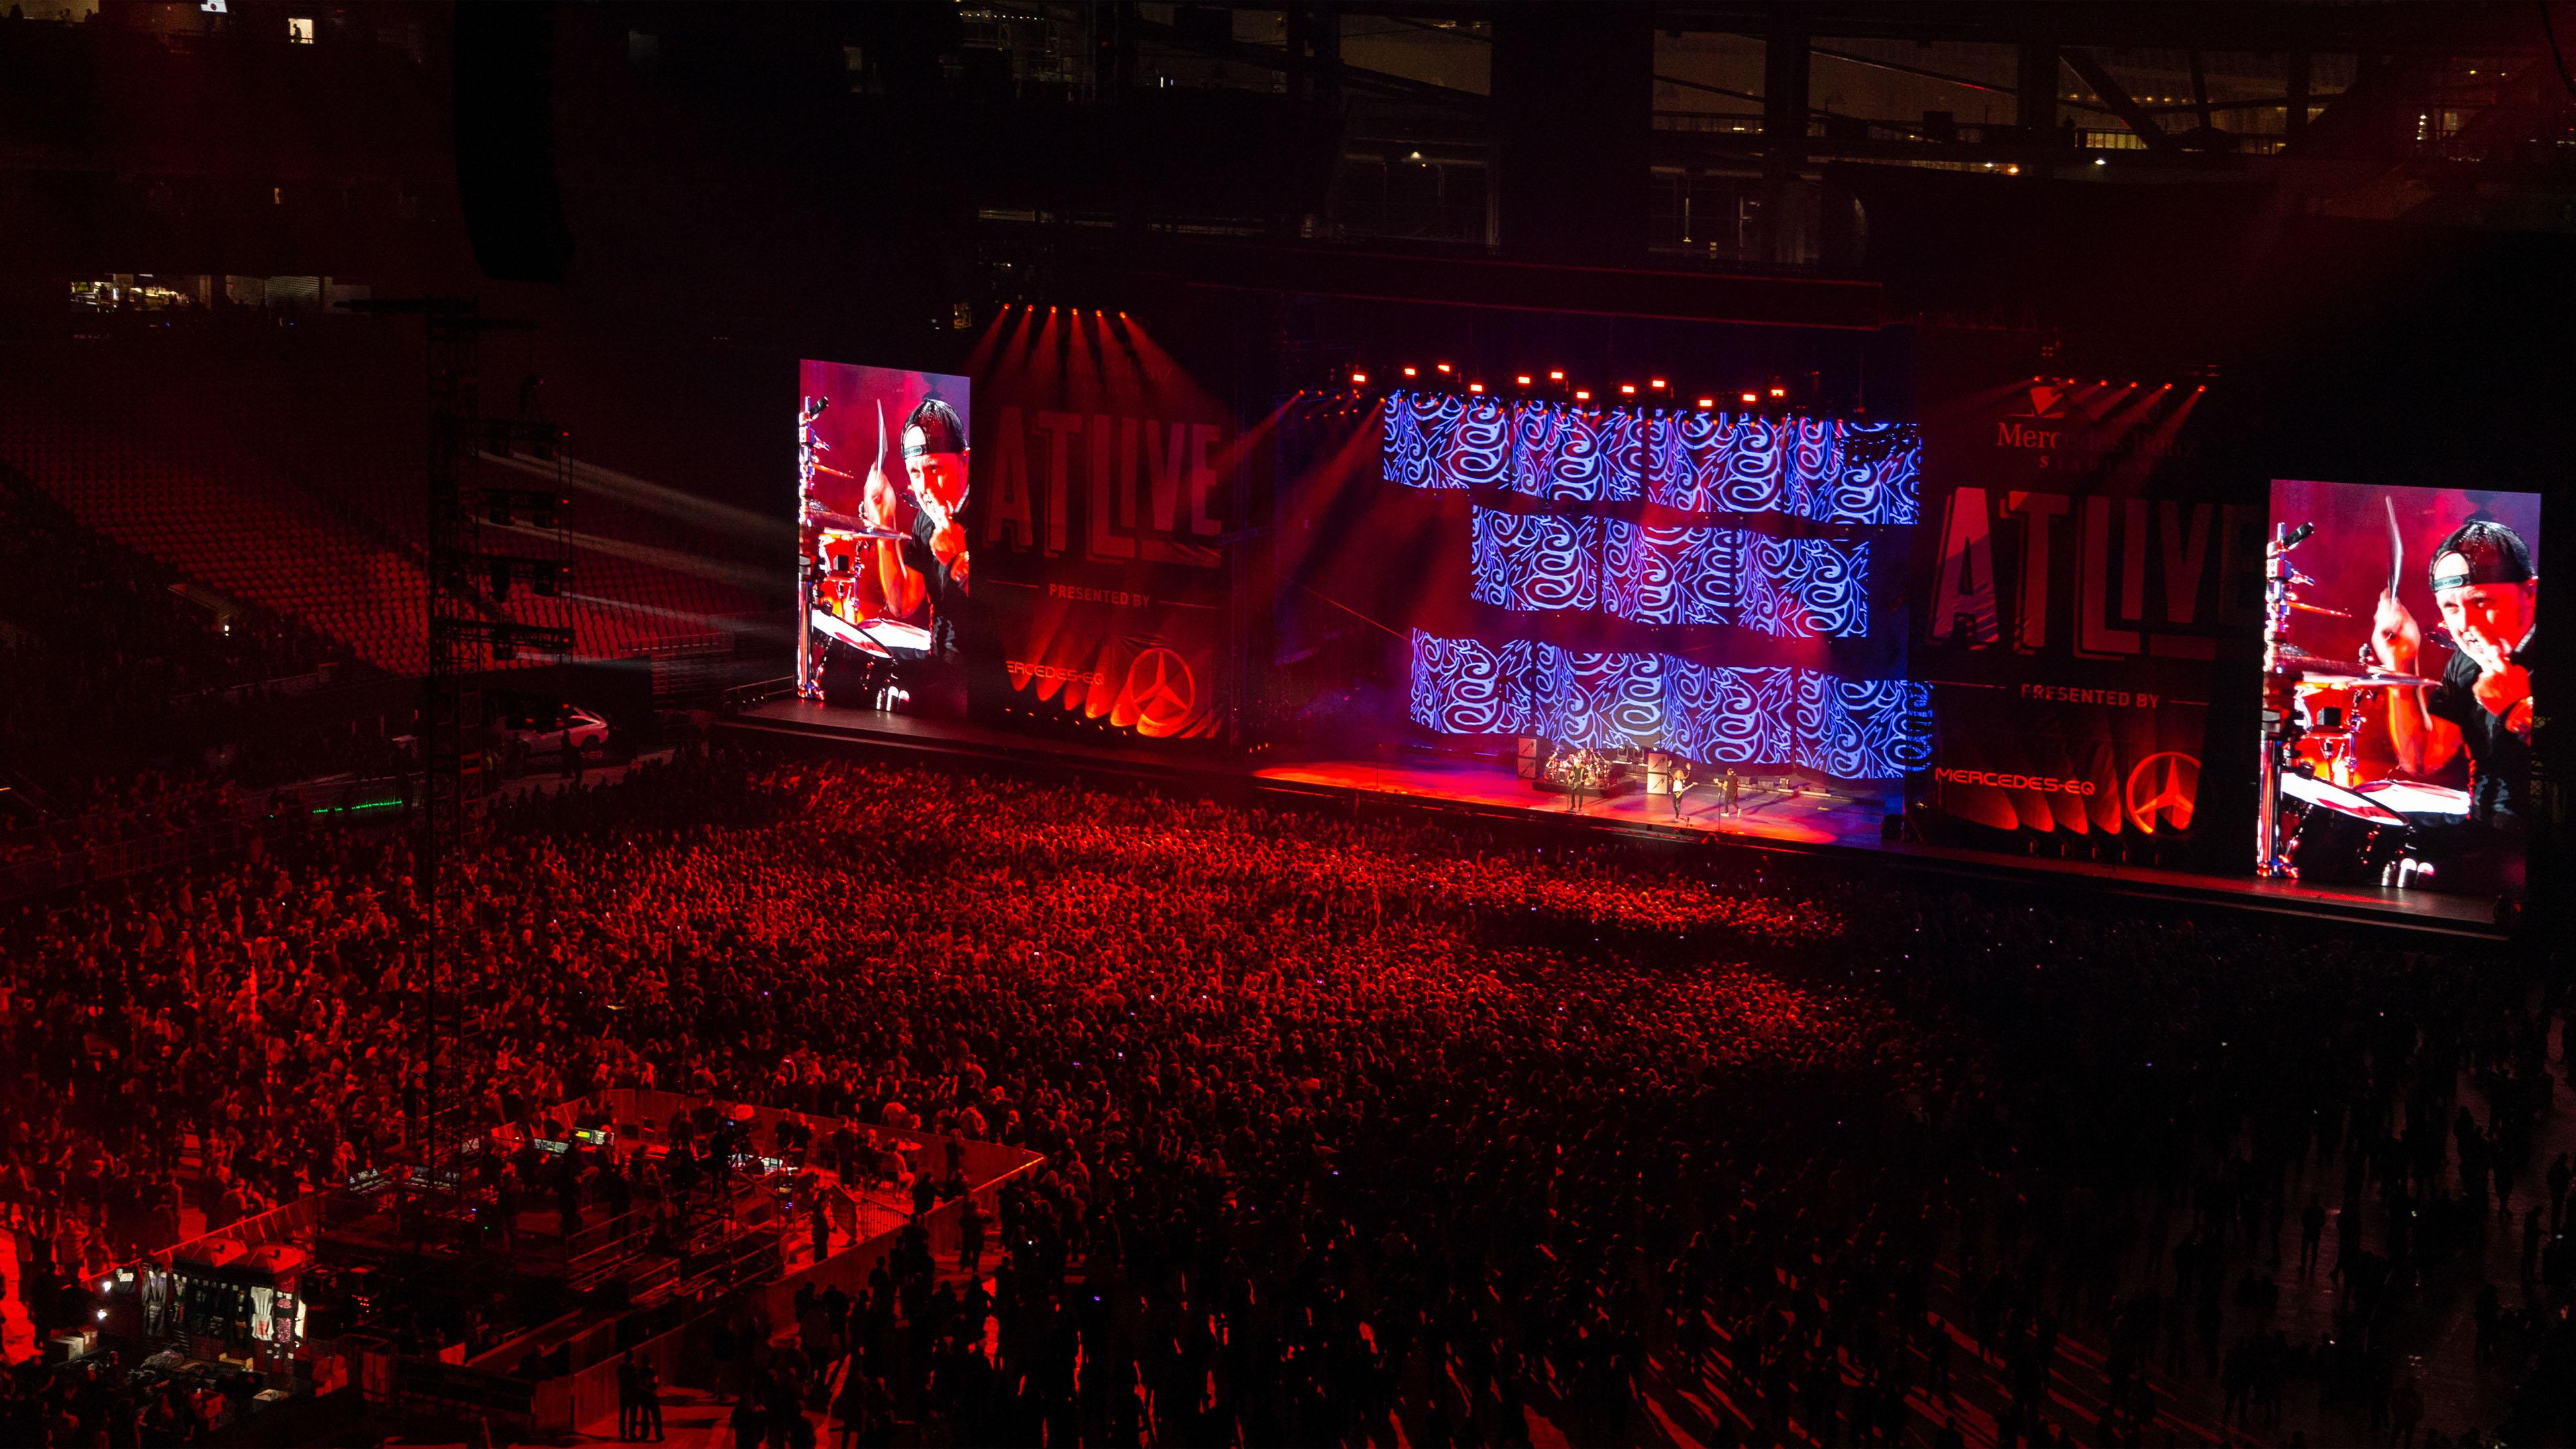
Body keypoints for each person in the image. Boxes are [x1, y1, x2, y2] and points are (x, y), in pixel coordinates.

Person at [2371, 518, 2536, 890]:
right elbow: (2421, 758)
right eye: (2450, 607)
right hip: (2484, 830)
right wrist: (2401, 665)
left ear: (2530, 593)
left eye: (2481, 601)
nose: (2465, 624)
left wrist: (2516, 710)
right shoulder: (2464, 662)